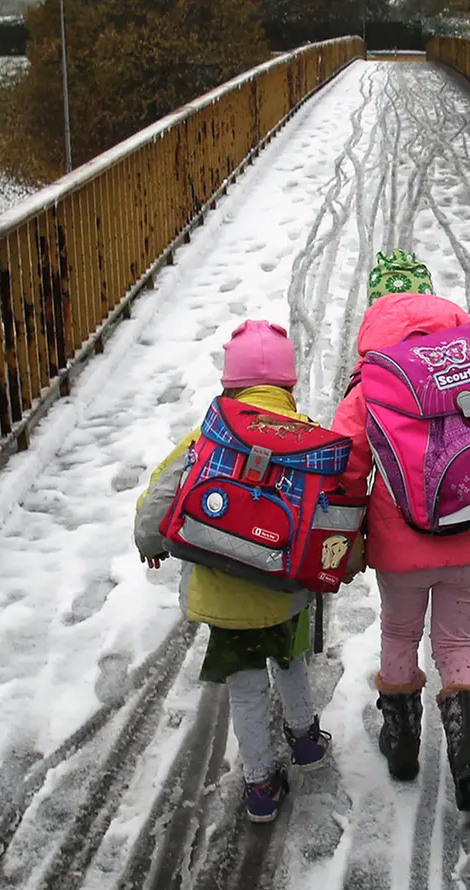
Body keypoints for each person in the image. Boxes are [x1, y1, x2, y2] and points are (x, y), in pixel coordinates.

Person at [134, 320, 331, 823]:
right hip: (284, 589)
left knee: (246, 688)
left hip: (225, 597)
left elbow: (161, 494)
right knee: (291, 663)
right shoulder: (306, 437)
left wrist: (150, 541)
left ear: (229, 385)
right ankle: (306, 741)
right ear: (289, 385)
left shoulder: (210, 434)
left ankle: (261, 784)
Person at [330, 258, 470, 811]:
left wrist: (347, 526)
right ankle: (469, 752)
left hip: (401, 538)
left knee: (400, 635)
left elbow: (346, 463)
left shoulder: (372, 381)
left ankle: (402, 742)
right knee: (457, 642)